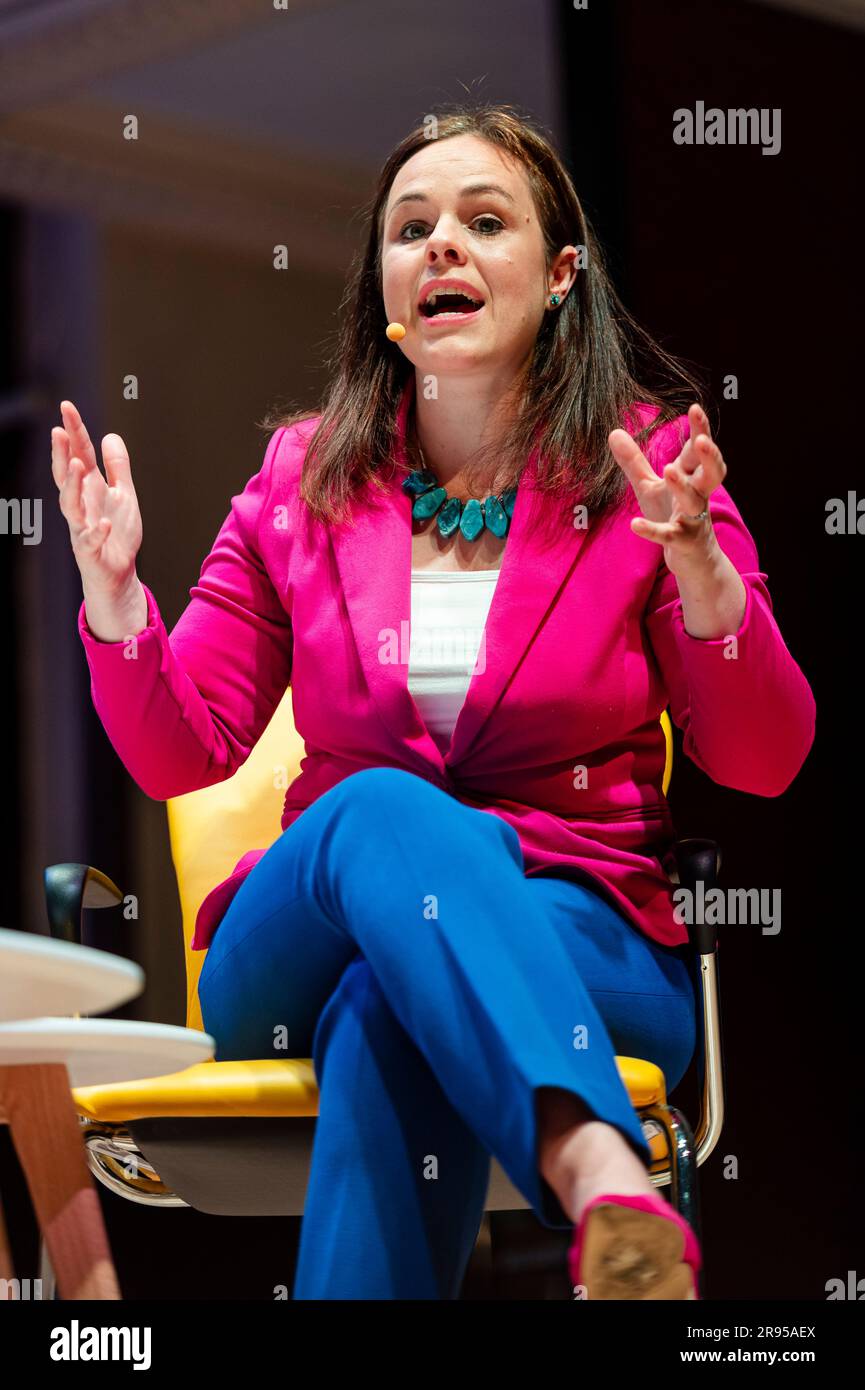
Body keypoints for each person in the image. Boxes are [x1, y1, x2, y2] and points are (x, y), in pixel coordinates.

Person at [52, 104, 815, 1301]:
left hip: (578, 929)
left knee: (394, 997)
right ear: (386, 281)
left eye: (482, 220)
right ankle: (593, 1160)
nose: (440, 245)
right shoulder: (299, 483)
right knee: (384, 819)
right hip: (296, 949)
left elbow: (763, 757)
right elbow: (180, 747)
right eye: (412, 228)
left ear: (561, 274)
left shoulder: (644, 474)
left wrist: (704, 577)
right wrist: (111, 604)